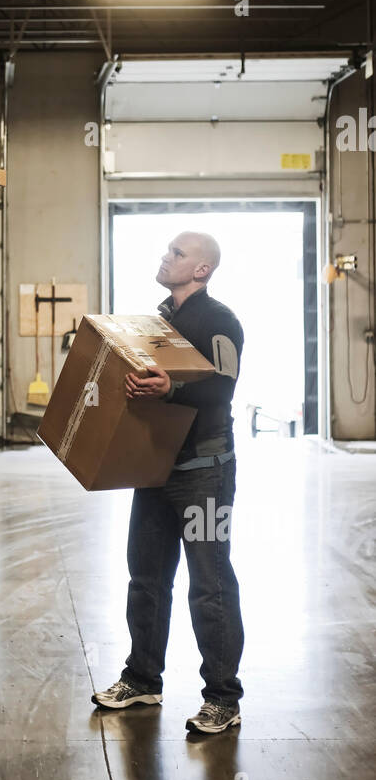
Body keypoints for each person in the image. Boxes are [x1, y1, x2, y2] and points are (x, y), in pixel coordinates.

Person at [91, 232, 245, 734]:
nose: (166, 257)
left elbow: (223, 386)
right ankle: (142, 679)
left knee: (210, 584)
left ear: (202, 270)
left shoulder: (219, 320)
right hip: (154, 467)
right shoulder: (161, 320)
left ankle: (223, 698)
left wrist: (171, 387)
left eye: (178, 254)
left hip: (204, 472)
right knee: (147, 578)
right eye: (166, 251)